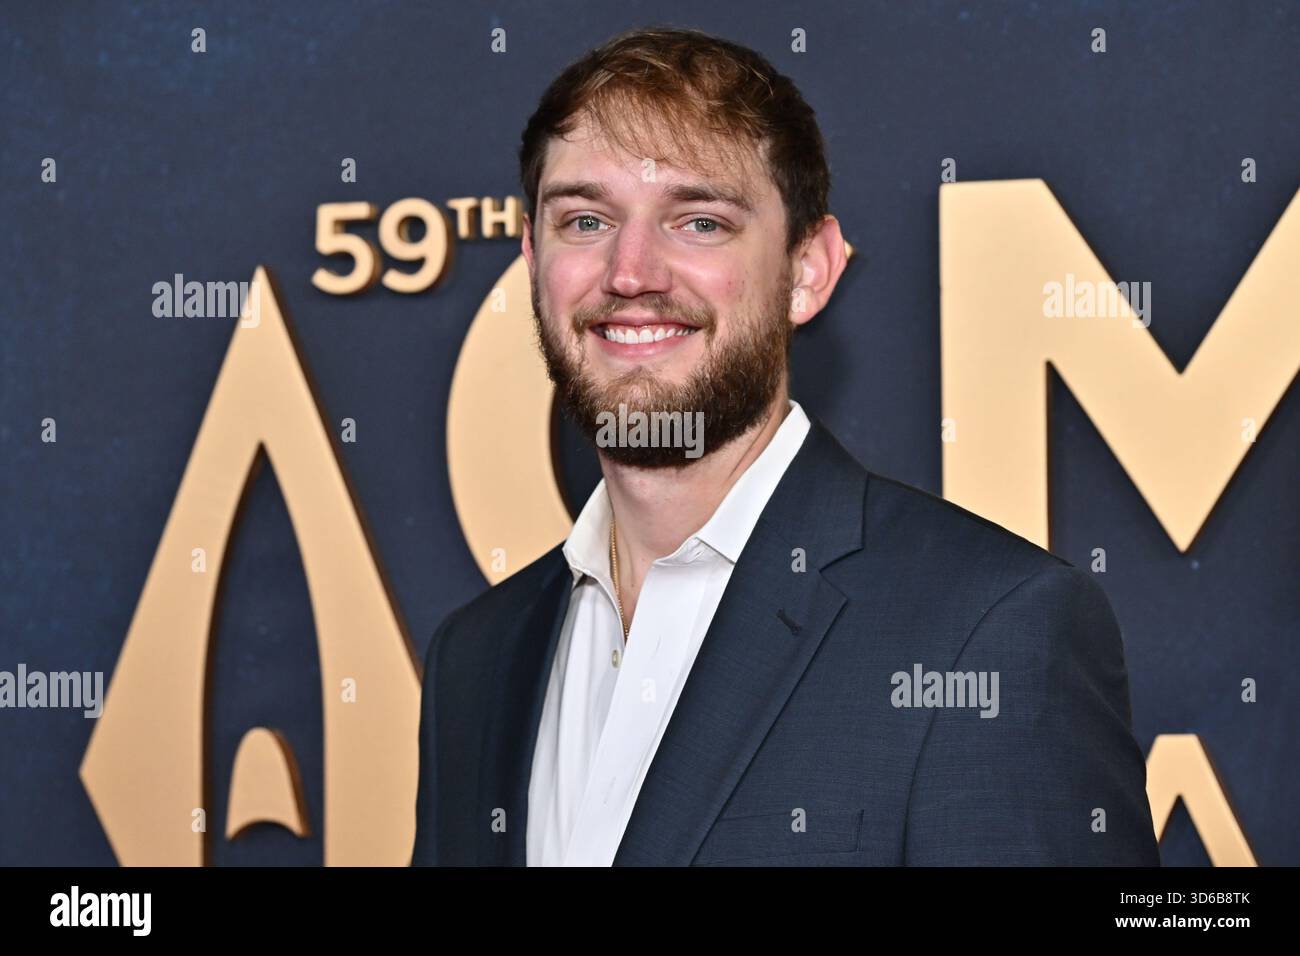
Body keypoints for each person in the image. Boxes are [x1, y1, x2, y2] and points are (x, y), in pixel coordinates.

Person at [412, 25, 1159, 866]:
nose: (630, 272)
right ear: (532, 260)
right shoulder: (474, 658)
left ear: (809, 270)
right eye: (585, 220)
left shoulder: (989, 630)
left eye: (699, 222)